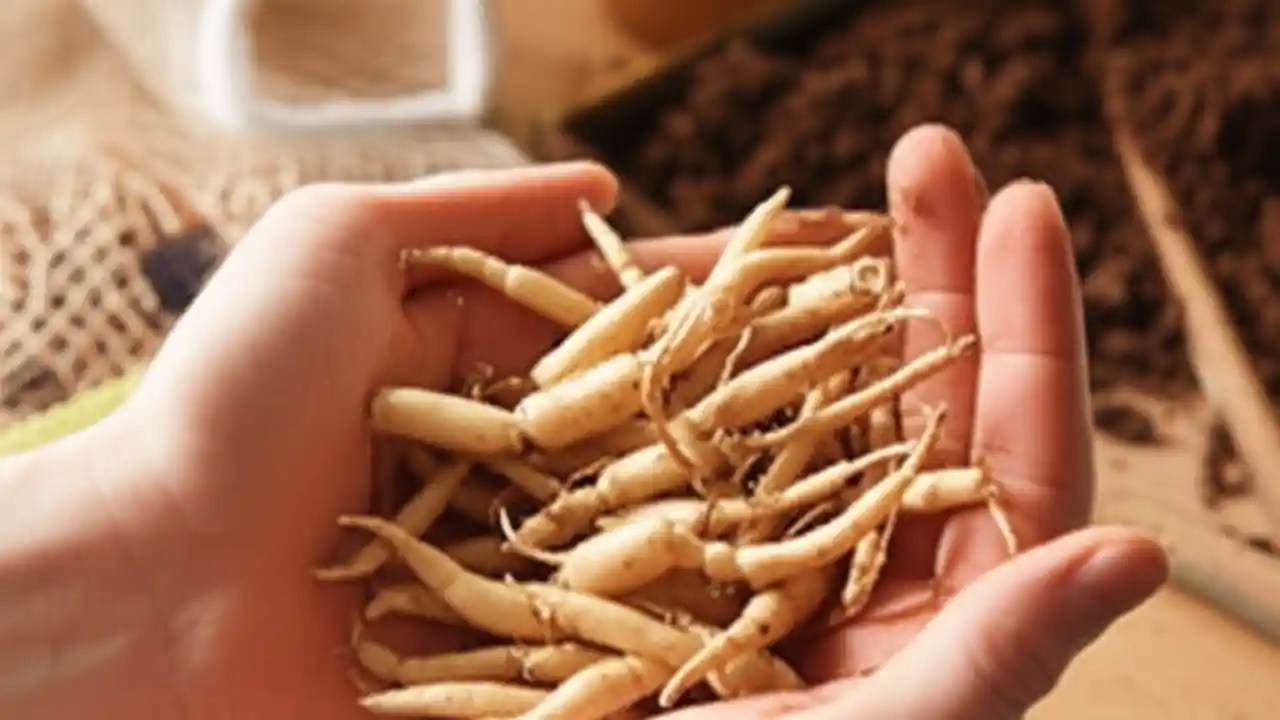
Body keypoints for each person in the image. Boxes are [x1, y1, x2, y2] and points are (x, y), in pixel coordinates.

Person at [0, 125, 1167, 719]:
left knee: (679, 537)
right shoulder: (561, 480)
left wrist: (138, 546)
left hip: (621, 560)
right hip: (603, 551)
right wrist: (148, 535)